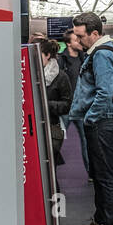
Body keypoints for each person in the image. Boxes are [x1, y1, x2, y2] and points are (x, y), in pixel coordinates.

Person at [68, 11, 113, 225]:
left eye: (81, 36)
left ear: (95, 33)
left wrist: (90, 118)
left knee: (105, 175)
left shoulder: (101, 55)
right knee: (100, 174)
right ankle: (101, 219)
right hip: (101, 121)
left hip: (102, 122)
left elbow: (105, 92)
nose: (78, 40)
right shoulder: (102, 51)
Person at [58, 30, 90, 179]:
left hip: (81, 107)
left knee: (87, 141)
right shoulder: (60, 60)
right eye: (76, 40)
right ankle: (50, 174)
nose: (79, 42)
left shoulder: (85, 58)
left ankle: (92, 173)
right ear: (68, 43)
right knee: (57, 141)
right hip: (65, 108)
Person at [38, 39, 70, 167]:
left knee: (49, 168)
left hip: (51, 128)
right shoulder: (30, 74)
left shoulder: (61, 77)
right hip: (32, 128)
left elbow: (67, 105)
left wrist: (45, 104)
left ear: (47, 55)